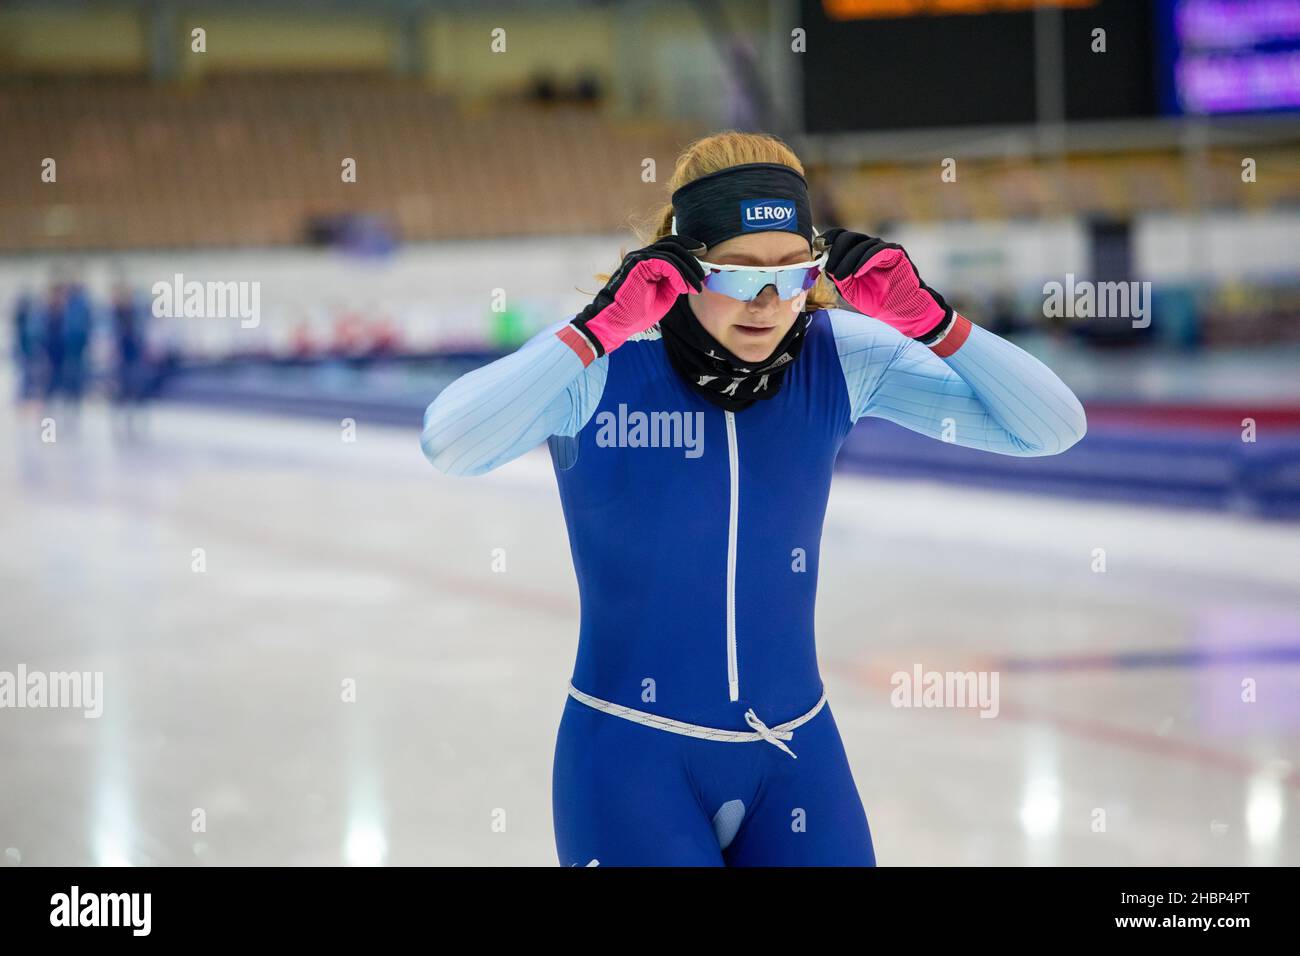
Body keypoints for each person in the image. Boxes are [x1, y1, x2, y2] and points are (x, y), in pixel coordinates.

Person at [420, 132, 1086, 866]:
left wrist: (932, 321)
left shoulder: (840, 357)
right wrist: (596, 329)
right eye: (738, 274)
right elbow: (451, 443)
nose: (768, 303)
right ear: (682, 267)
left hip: (799, 760)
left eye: (792, 273)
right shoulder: (601, 366)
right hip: (631, 763)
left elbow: (1053, 428)